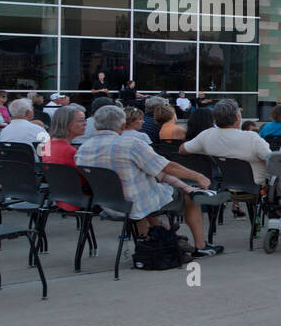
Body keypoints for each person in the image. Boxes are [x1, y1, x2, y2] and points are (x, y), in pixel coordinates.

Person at [75, 105, 223, 257]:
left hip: (107, 204)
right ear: (122, 124)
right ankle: (200, 245)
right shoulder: (132, 144)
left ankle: (149, 239)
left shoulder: (83, 149)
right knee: (191, 197)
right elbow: (167, 166)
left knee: (141, 190)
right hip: (135, 204)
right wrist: (199, 177)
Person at [181, 98, 272, 184]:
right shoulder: (252, 137)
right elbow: (271, 162)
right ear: (237, 117)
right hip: (254, 186)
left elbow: (182, 149)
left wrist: (204, 149)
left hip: (222, 185)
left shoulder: (206, 135)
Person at [42, 104, 88, 212]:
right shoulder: (70, 151)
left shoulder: (47, 145)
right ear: (67, 124)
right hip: (77, 198)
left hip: (59, 195)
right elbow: (87, 177)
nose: (85, 124)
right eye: (81, 121)